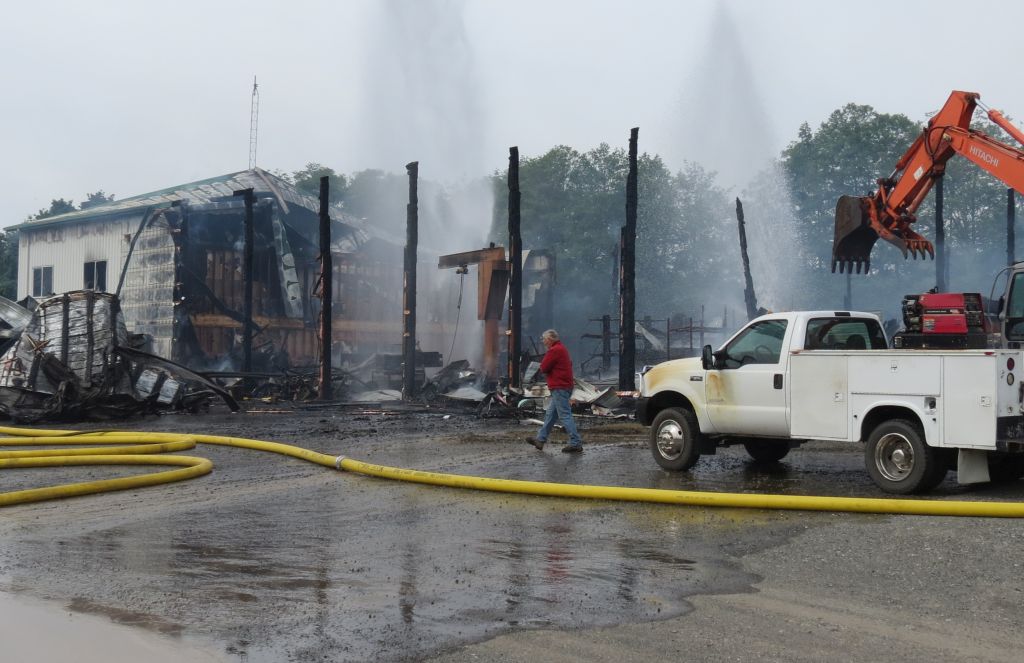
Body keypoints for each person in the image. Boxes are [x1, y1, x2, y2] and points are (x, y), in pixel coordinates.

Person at [526, 329, 583, 453]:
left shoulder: (554, 350)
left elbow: (544, 367)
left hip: (559, 387)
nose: (543, 341)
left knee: (565, 415)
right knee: (551, 415)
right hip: (563, 387)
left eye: (544, 339)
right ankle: (540, 440)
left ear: (550, 339)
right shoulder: (562, 349)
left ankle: (576, 442)